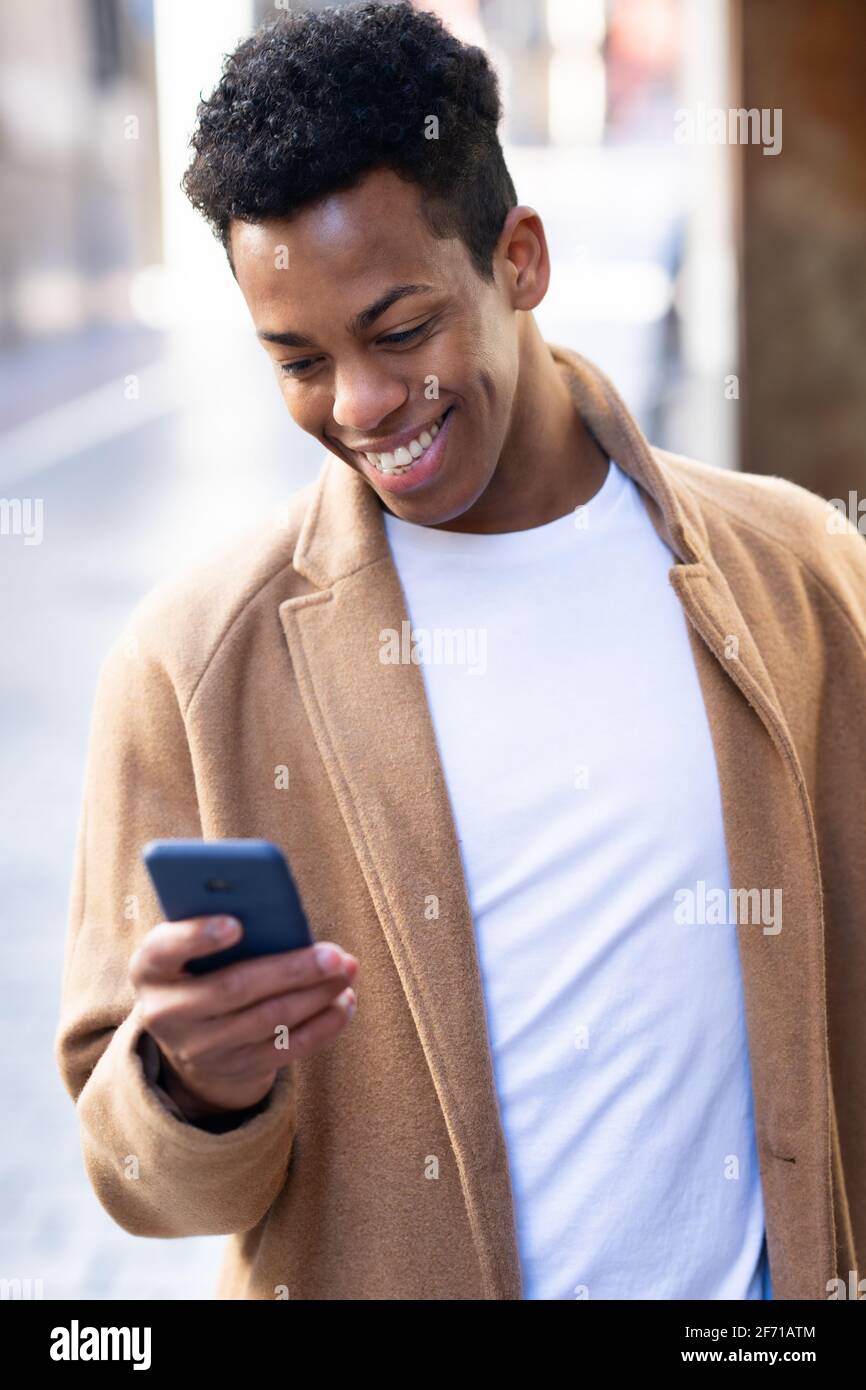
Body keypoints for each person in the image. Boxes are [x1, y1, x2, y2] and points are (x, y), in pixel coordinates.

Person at [55, 1, 866, 1301]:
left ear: (521, 259)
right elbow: (140, 1178)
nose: (362, 407)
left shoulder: (799, 575)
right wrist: (193, 1083)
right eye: (298, 360)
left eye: (397, 329)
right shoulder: (191, 663)